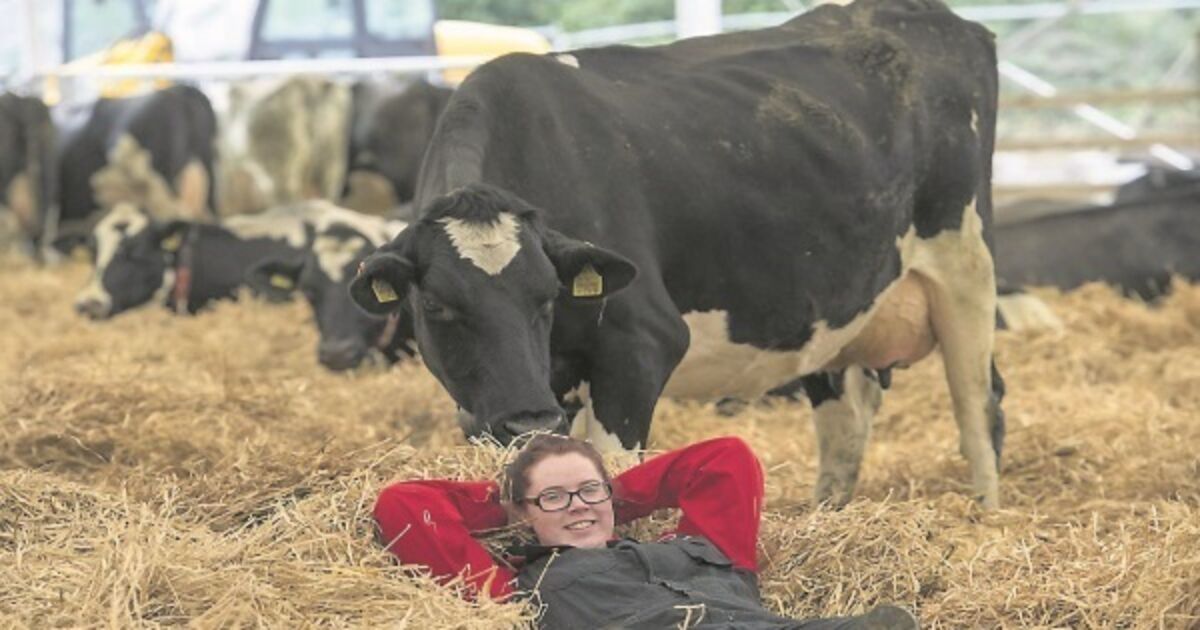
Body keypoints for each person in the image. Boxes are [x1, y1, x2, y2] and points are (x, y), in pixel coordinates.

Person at [373, 435, 918, 629]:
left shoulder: (706, 548)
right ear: (525, 510)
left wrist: (603, 501)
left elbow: (723, 459)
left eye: (589, 491)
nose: (578, 507)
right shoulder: (512, 590)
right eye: (555, 497)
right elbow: (404, 504)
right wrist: (512, 507)